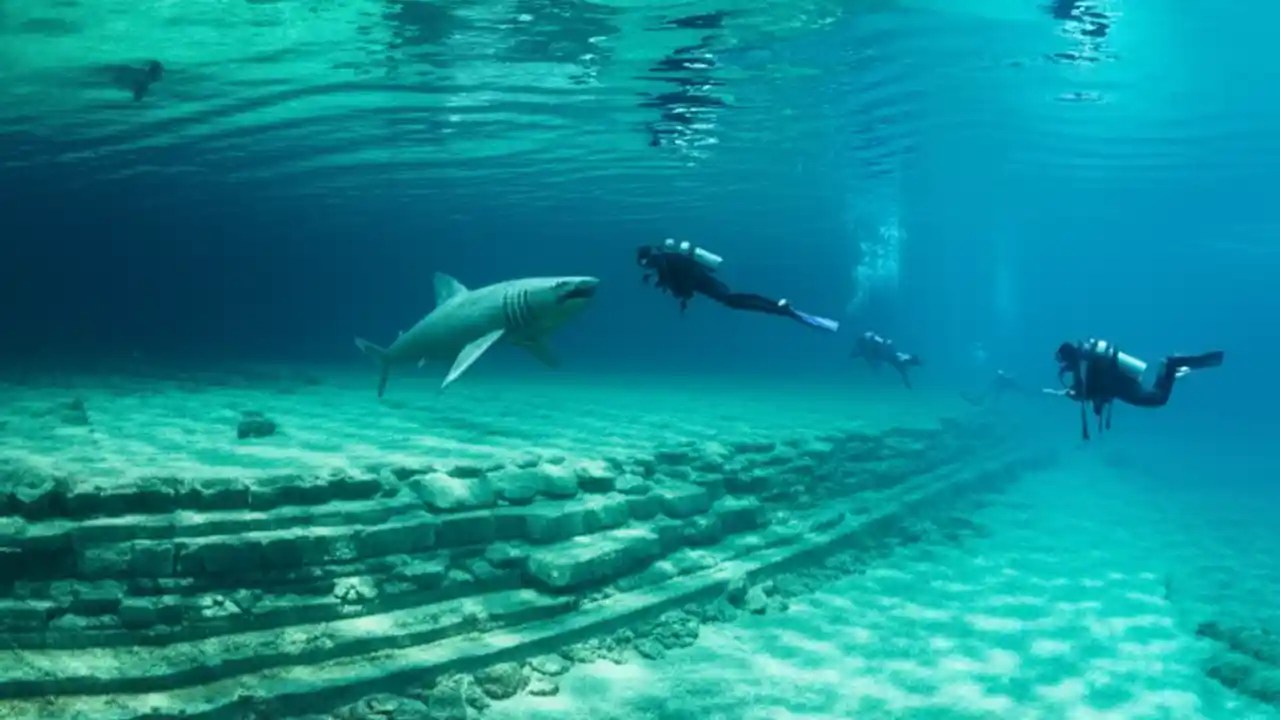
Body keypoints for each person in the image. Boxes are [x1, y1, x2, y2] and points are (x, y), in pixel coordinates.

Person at [636, 239, 840, 332]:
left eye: (643, 263)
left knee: (733, 300)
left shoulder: (660, 261)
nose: (645, 268)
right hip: (705, 281)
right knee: (733, 299)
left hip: (706, 283)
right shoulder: (666, 259)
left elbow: (679, 286)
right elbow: (682, 286)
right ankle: (778, 307)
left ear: (646, 259)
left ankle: (779, 308)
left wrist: (662, 284)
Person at [1045, 338, 1224, 439]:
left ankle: (1170, 365)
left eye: (1063, 361)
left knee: (1157, 399)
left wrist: (1069, 394)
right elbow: (1089, 391)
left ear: (1069, 357)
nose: (1063, 366)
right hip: (1120, 383)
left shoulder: (1082, 366)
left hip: (1120, 385)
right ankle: (1168, 369)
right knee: (1155, 397)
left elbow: (1086, 392)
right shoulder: (1084, 363)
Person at [850, 331, 921, 388]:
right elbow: (880, 340)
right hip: (872, 352)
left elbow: (903, 371)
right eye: (906, 357)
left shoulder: (894, 356)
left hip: (873, 354)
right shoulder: (892, 349)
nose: (903, 357)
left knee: (865, 359)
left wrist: (906, 381)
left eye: (906, 360)